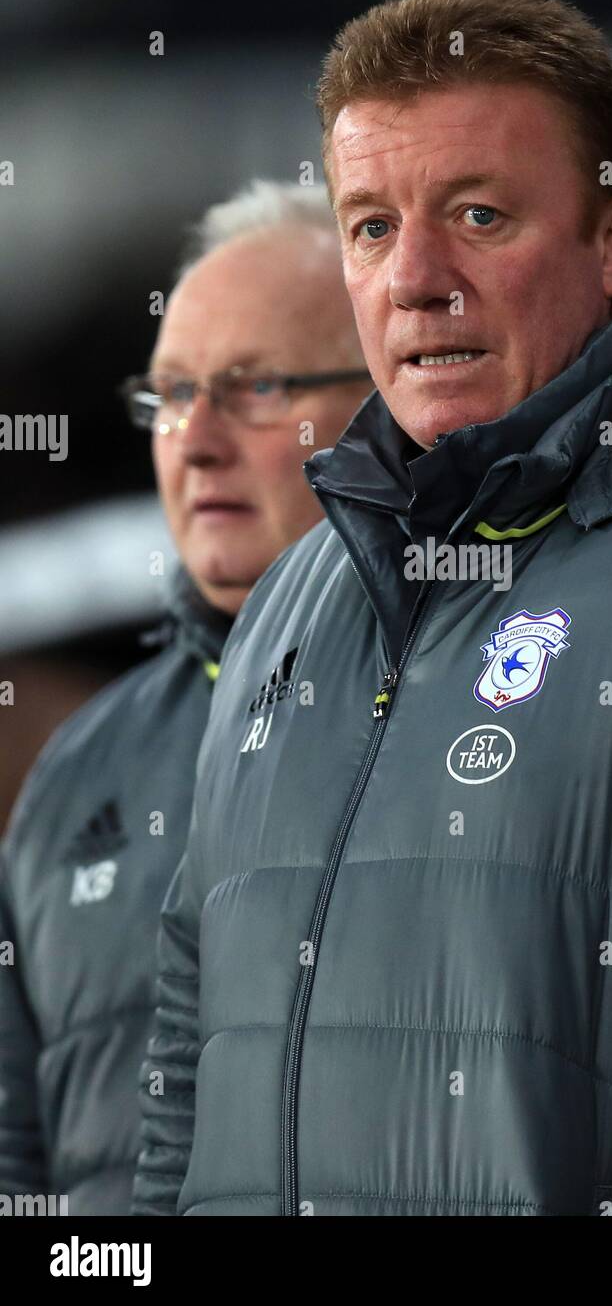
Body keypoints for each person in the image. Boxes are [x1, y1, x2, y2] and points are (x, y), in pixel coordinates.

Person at [134, 0, 612, 1217]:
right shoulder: (296, 596)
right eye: (371, 227)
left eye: (479, 216)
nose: (416, 279)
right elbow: (188, 1056)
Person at [0, 181, 372, 1214]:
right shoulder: (75, 789)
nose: (198, 438)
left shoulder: (535, 715)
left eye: (258, 388)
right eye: (169, 398)